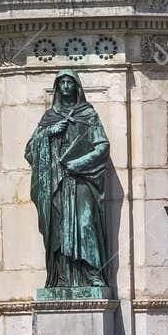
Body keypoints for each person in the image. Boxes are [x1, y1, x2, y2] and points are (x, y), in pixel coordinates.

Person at [25, 70, 111, 294]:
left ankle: (92, 273)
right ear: (56, 88)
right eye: (61, 82)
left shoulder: (88, 115)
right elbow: (29, 151)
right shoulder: (48, 118)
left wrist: (79, 164)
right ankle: (61, 278)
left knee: (85, 224)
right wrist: (49, 133)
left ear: (77, 87)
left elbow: (102, 146)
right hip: (56, 183)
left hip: (81, 179)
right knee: (58, 229)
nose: (65, 86)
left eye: (69, 82)